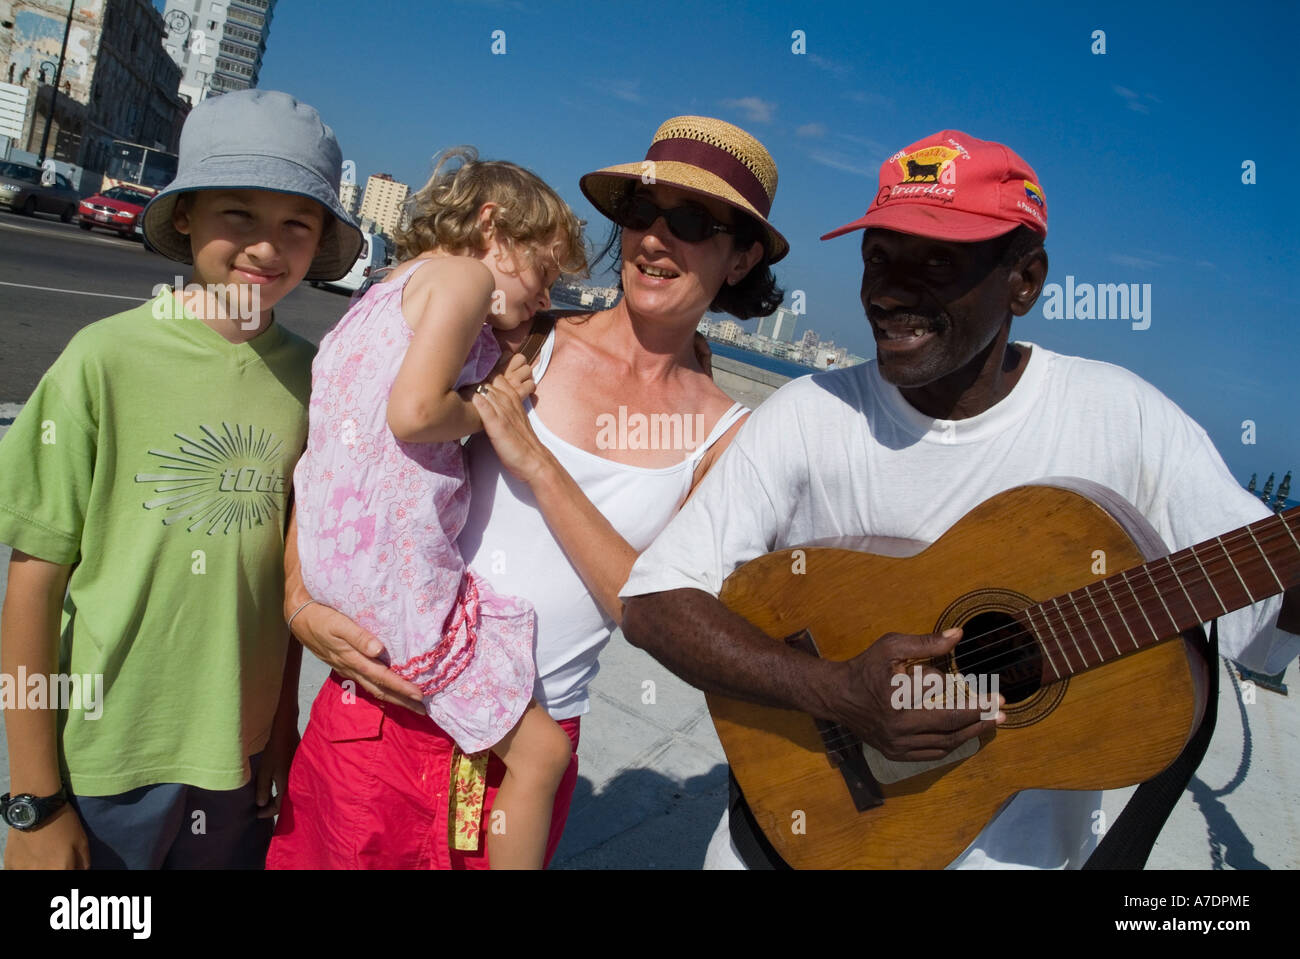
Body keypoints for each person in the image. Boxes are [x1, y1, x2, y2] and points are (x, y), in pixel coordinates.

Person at [619, 130, 1300, 869]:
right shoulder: (812, 415)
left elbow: (1263, 613)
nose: (888, 290)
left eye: (937, 260)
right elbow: (654, 600)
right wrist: (835, 690)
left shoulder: (1125, 421)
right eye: (878, 257)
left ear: (1025, 281)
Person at [269, 115, 789, 868]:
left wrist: (538, 464)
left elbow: (662, 615)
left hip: (526, 748)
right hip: (381, 718)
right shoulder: (525, 334)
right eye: (641, 211)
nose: (652, 238)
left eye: (691, 220)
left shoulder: (728, 437)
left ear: (741, 256)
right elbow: (349, 451)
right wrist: (297, 596)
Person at [0, 90, 363, 868]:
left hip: (237, 763)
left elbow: (293, 579)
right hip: (107, 758)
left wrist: (280, 732)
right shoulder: (103, 360)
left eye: (297, 224)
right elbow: (32, 585)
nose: (267, 249)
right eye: (239, 213)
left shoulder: (316, 381)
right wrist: (34, 798)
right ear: (188, 216)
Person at [273, 148, 586, 869]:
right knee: (541, 752)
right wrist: (493, 406)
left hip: (337, 568)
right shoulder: (467, 277)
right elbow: (416, 413)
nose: (543, 298)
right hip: (397, 585)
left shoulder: (383, 294)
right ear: (491, 225)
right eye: (542, 272)